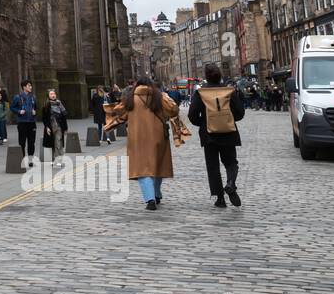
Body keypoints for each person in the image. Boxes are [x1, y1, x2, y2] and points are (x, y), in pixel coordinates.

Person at [104, 76, 181, 212]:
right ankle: (156, 193)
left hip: (137, 139)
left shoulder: (130, 99)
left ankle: (150, 198)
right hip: (158, 137)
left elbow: (118, 112)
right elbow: (174, 109)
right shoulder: (159, 96)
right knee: (158, 165)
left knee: (143, 168)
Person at [187, 63, 246, 208]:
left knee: (213, 166)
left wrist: (203, 123)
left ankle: (220, 198)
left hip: (209, 134)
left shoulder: (200, 93)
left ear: (206, 76)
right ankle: (231, 182)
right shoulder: (229, 91)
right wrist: (228, 119)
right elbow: (240, 112)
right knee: (231, 162)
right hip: (228, 132)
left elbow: (192, 115)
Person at [11, 80, 38, 167]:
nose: (31, 87)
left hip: (32, 122)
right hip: (22, 122)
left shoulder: (33, 97)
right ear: (24, 87)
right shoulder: (18, 97)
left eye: (31, 85)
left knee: (31, 142)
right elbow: (12, 107)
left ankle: (30, 160)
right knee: (22, 142)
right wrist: (19, 111)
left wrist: (35, 112)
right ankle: (22, 159)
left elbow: (36, 108)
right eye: (29, 85)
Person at [41, 88, 68, 168]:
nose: (53, 95)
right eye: (51, 94)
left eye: (54, 94)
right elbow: (44, 118)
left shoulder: (59, 104)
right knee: (52, 144)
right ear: (48, 96)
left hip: (59, 126)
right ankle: (53, 160)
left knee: (58, 143)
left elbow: (64, 116)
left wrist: (65, 128)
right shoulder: (46, 105)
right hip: (50, 127)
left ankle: (59, 160)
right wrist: (47, 127)